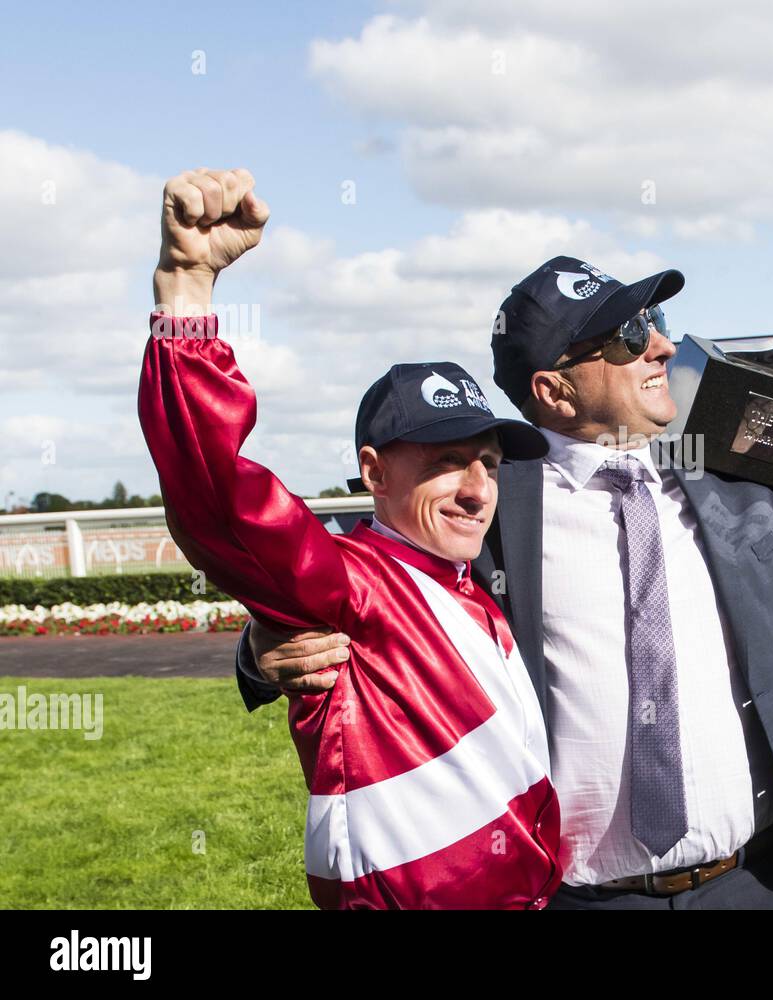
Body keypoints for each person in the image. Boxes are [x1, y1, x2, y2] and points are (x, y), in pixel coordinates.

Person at [238, 254, 773, 909]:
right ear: (555, 393)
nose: (660, 345)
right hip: (575, 900)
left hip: (756, 885)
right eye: (628, 338)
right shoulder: (488, 508)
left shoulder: (736, 479)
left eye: (655, 321)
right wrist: (263, 644)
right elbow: (362, 571)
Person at [138, 167, 562, 909]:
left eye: (488, 464)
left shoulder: (465, 583)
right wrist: (186, 287)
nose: (476, 488)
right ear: (373, 472)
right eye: (445, 463)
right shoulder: (346, 583)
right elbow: (216, 492)